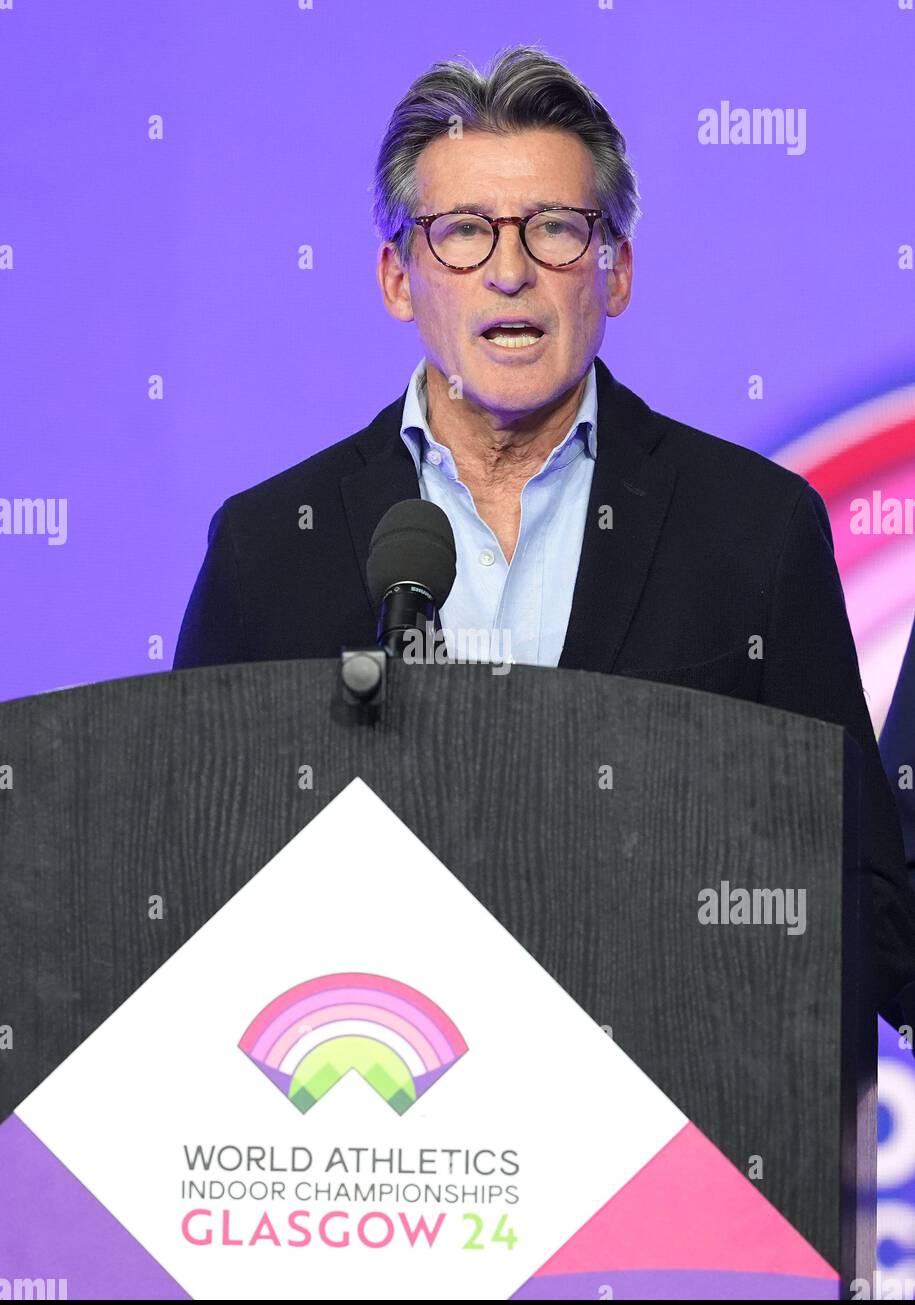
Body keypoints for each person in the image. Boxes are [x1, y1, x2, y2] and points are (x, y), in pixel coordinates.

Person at [173, 44, 915, 1029]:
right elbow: (179, 884)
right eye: (465, 233)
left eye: (558, 230)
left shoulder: (752, 531)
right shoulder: (270, 545)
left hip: (675, 1131)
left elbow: (859, 902)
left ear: (616, 274)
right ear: (399, 277)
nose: (512, 271)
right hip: (373, 1129)